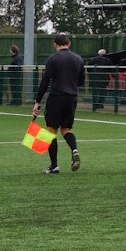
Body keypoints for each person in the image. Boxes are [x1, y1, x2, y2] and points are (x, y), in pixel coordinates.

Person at [33, 33, 83, 175]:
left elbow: (45, 81)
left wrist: (37, 101)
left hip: (56, 97)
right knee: (66, 129)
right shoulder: (78, 59)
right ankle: (74, 150)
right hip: (72, 98)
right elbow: (80, 81)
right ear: (69, 44)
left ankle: (54, 166)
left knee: (51, 131)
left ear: (55, 44)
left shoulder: (52, 59)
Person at [87, 47, 111, 111]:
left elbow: (88, 69)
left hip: (94, 77)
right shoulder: (107, 60)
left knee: (94, 91)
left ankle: (94, 104)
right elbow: (110, 69)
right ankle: (100, 104)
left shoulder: (92, 59)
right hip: (103, 78)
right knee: (102, 91)